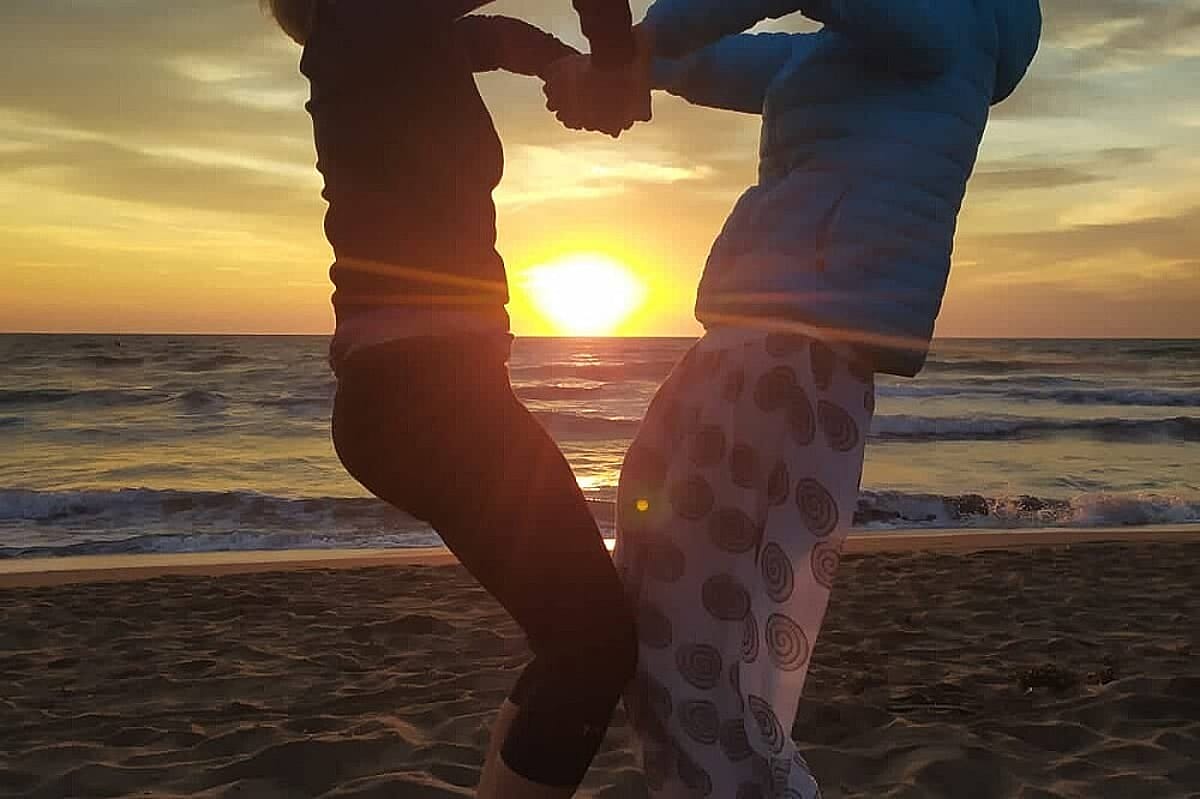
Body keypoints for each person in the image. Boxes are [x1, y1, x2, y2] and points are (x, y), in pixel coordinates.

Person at [547, 1, 1042, 795]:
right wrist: (603, 64)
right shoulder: (849, 49)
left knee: (698, 630)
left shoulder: (952, 20)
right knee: (657, 574)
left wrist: (630, 47)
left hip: (798, 349)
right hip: (755, 337)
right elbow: (713, 58)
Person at [261, 1, 646, 796]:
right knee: (594, 645)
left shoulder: (391, 40)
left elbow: (490, 37)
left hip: (430, 391)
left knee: (572, 637)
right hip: (424, 396)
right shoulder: (372, 25)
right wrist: (610, 57)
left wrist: (560, 64)